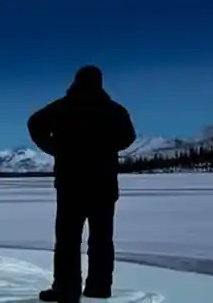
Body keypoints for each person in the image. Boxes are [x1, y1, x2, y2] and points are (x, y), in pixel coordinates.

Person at [27, 65, 136, 302]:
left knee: (68, 239)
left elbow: (34, 123)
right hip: (103, 184)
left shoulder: (63, 107)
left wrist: (55, 148)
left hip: (72, 184)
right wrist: (106, 147)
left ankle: (67, 288)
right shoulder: (113, 110)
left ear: (76, 81)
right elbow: (129, 137)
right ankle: (99, 287)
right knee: (100, 239)